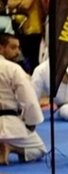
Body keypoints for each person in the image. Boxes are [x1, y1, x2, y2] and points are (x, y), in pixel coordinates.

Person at [0, 33, 46, 165]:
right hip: (9, 124)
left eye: (18, 48)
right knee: (39, 149)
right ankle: (11, 147)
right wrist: (31, 122)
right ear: (1, 48)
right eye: (13, 47)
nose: (17, 52)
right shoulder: (13, 69)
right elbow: (28, 99)